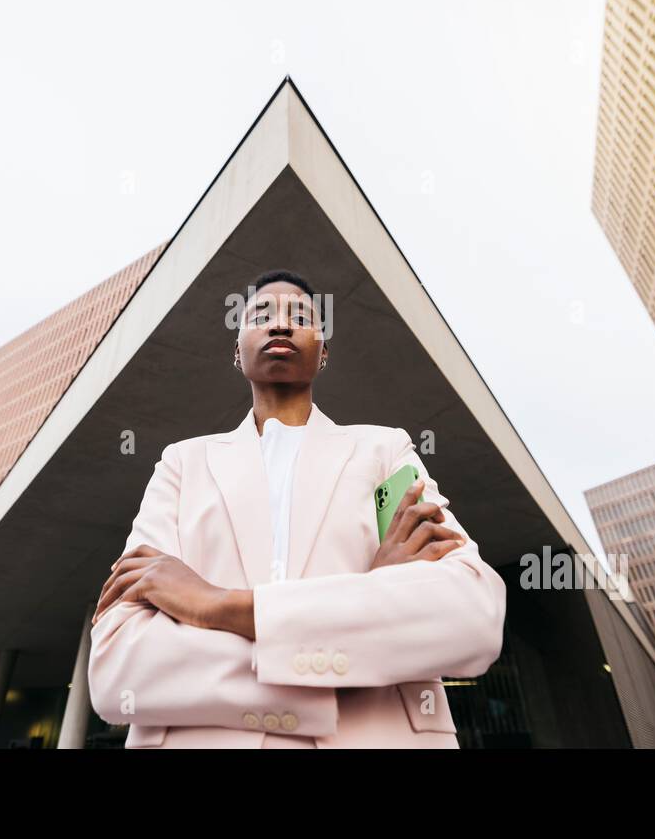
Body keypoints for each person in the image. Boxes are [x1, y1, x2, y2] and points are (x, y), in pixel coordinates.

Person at [87, 269, 507, 747]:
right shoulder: (182, 464)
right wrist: (366, 607)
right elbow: (117, 668)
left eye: (301, 317)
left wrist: (215, 605)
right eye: (261, 315)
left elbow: (471, 615)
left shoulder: (384, 452)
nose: (280, 325)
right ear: (237, 349)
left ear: (323, 352)